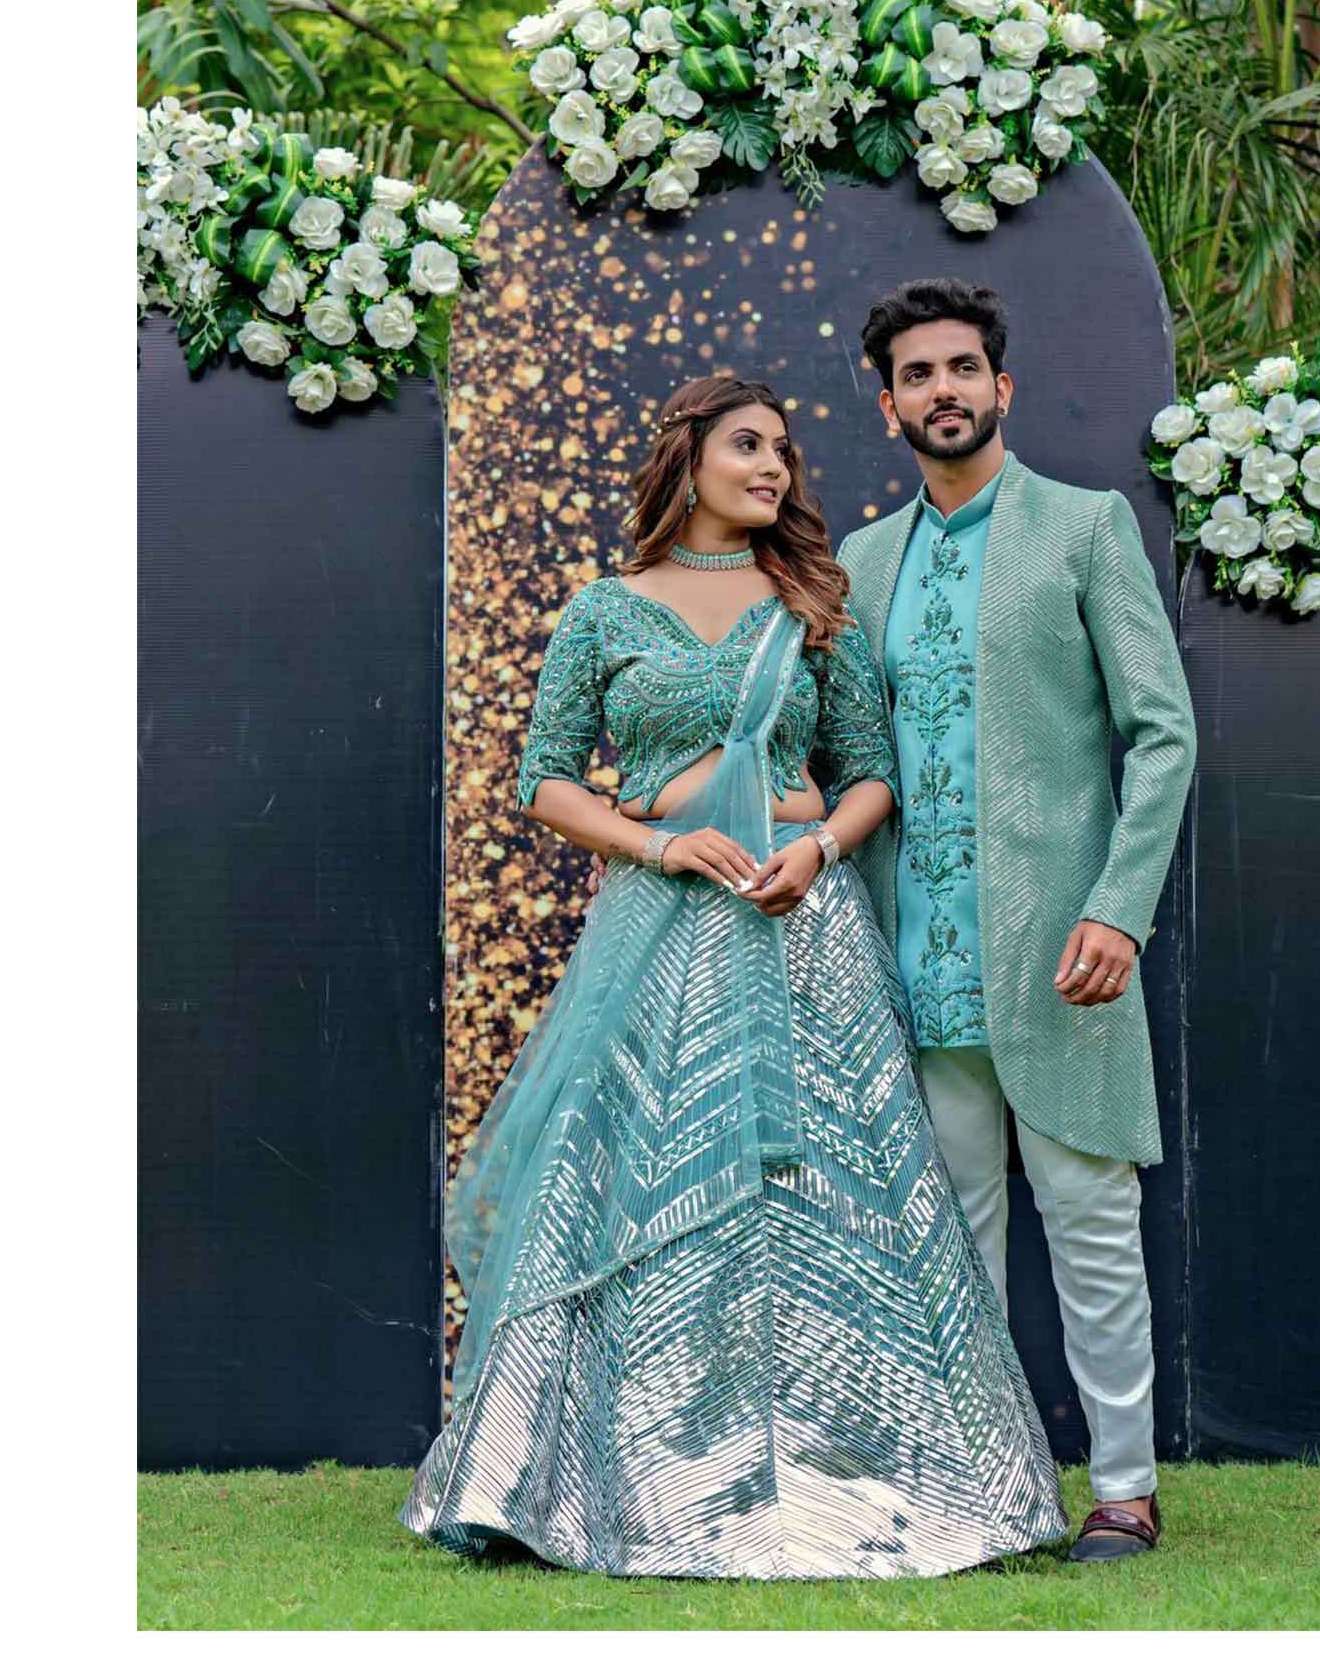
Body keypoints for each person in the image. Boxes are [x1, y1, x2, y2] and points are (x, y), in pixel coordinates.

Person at [399, 374, 1070, 1578]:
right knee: (637, 1181)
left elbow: (871, 772)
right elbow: (543, 778)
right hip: (660, 931)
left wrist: (817, 850)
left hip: (801, 930)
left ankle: (875, 1483)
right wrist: (660, 841)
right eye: (748, 445)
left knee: (827, 1192)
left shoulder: (813, 602)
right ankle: (617, 1484)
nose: (774, 467)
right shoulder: (605, 610)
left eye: (784, 451)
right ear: (688, 457)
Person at [835, 279, 1197, 1564]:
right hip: (916, 961)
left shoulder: (1085, 527)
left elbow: (1162, 734)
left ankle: (1124, 1489)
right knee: (951, 1240)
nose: (941, 389)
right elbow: (851, 757)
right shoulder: (863, 564)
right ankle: (982, 1494)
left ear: (1001, 386)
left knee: (1091, 1225)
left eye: (960, 368)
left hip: (1061, 957)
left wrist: (1120, 911)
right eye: (916, 374)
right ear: (888, 406)